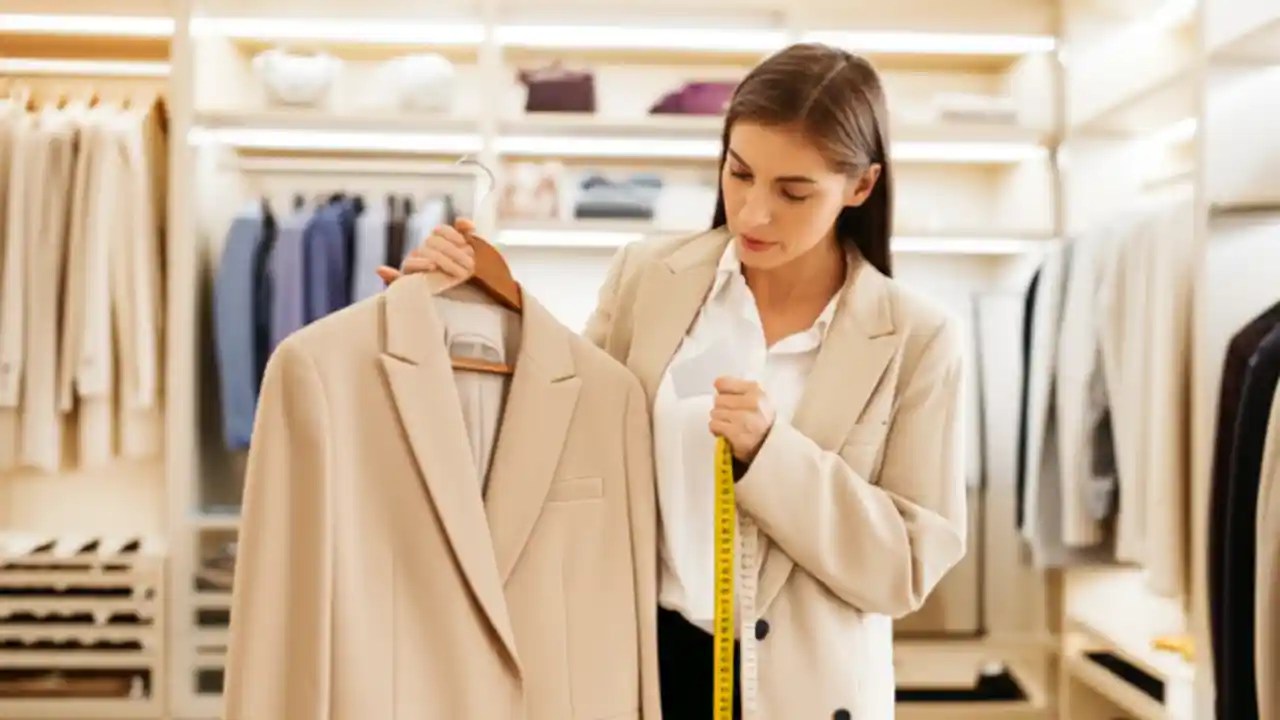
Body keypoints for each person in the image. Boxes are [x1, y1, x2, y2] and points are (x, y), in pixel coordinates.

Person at [378, 42, 967, 720]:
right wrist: (464, 322)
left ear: (860, 187)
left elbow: (906, 570)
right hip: (647, 667)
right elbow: (563, 439)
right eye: (739, 173)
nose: (751, 213)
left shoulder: (919, 340)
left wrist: (772, 455)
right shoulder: (646, 281)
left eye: (793, 191)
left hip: (809, 692)